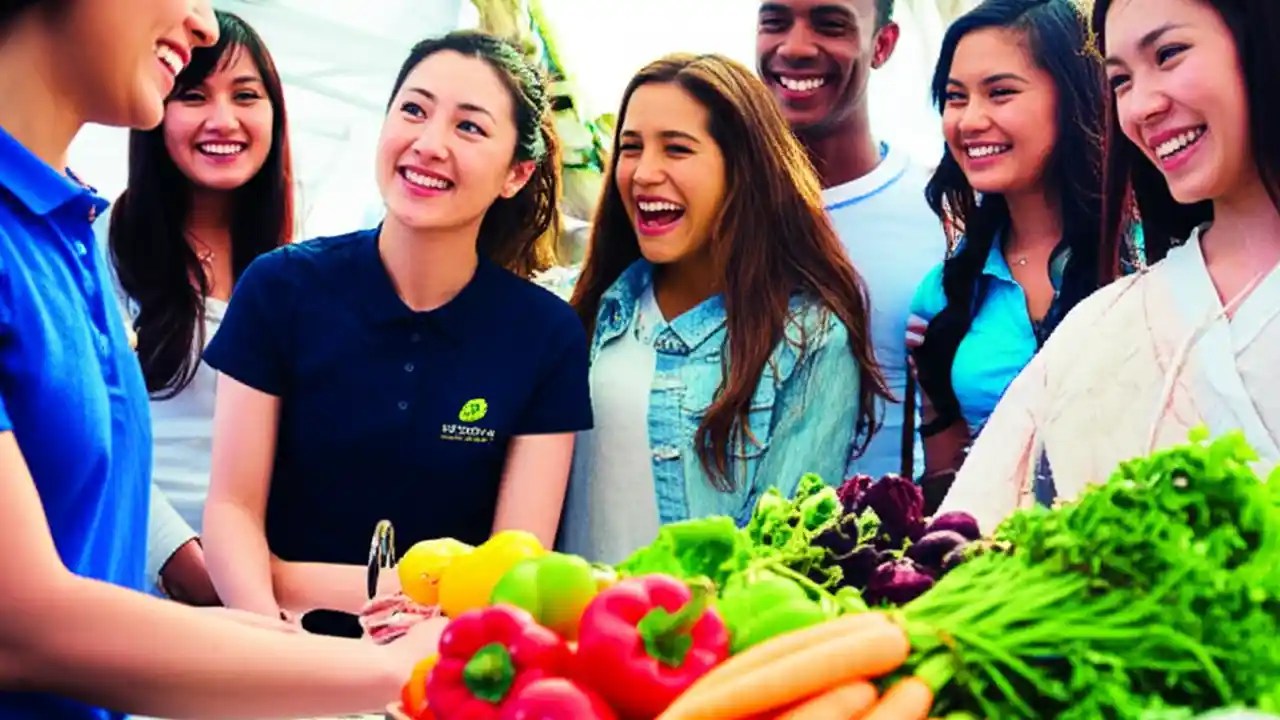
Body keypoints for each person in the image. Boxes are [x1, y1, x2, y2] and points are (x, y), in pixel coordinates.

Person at [0, 1, 445, 718]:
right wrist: (389, 671)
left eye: (247, 96)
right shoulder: (96, 239)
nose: (204, 21)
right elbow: (21, 624)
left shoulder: (63, 231)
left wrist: (366, 650)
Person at [202, 30, 592, 637]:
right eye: (413, 109)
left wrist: (306, 579)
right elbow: (231, 509)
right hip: (276, 641)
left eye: (469, 127)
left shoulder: (547, 336)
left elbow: (515, 567)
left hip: (440, 658)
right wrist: (268, 634)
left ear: (517, 172)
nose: (429, 144)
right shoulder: (280, 288)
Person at [938, 0, 1280, 531]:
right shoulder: (1104, 323)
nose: (1140, 106)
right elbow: (974, 534)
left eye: (1168, 54)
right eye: (1119, 80)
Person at [561, 53, 890, 564]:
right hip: (567, 634)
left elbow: (780, 553)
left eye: (677, 149)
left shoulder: (810, 336)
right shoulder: (584, 312)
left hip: (702, 634)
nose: (645, 172)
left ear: (743, 170)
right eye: (631, 148)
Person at [104, 9, 293, 606]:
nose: (223, 120)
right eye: (193, 95)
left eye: (246, 95)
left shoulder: (301, 272)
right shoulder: (99, 247)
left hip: (265, 582)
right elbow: (99, 436)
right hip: (133, 573)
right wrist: (177, 559)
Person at [903, 0, 1108, 502]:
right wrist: (932, 383)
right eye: (955, 97)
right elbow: (948, 494)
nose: (970, 120)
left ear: (1073, 97)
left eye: (1000, 93)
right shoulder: (946, 292)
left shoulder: (1152, 260)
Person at [756, 0, 948, 479]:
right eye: (775, 22)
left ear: (882, 45)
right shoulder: (712, 211)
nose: (795, 47)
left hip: (888, 544)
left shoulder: (941, 215)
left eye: (830, 25)